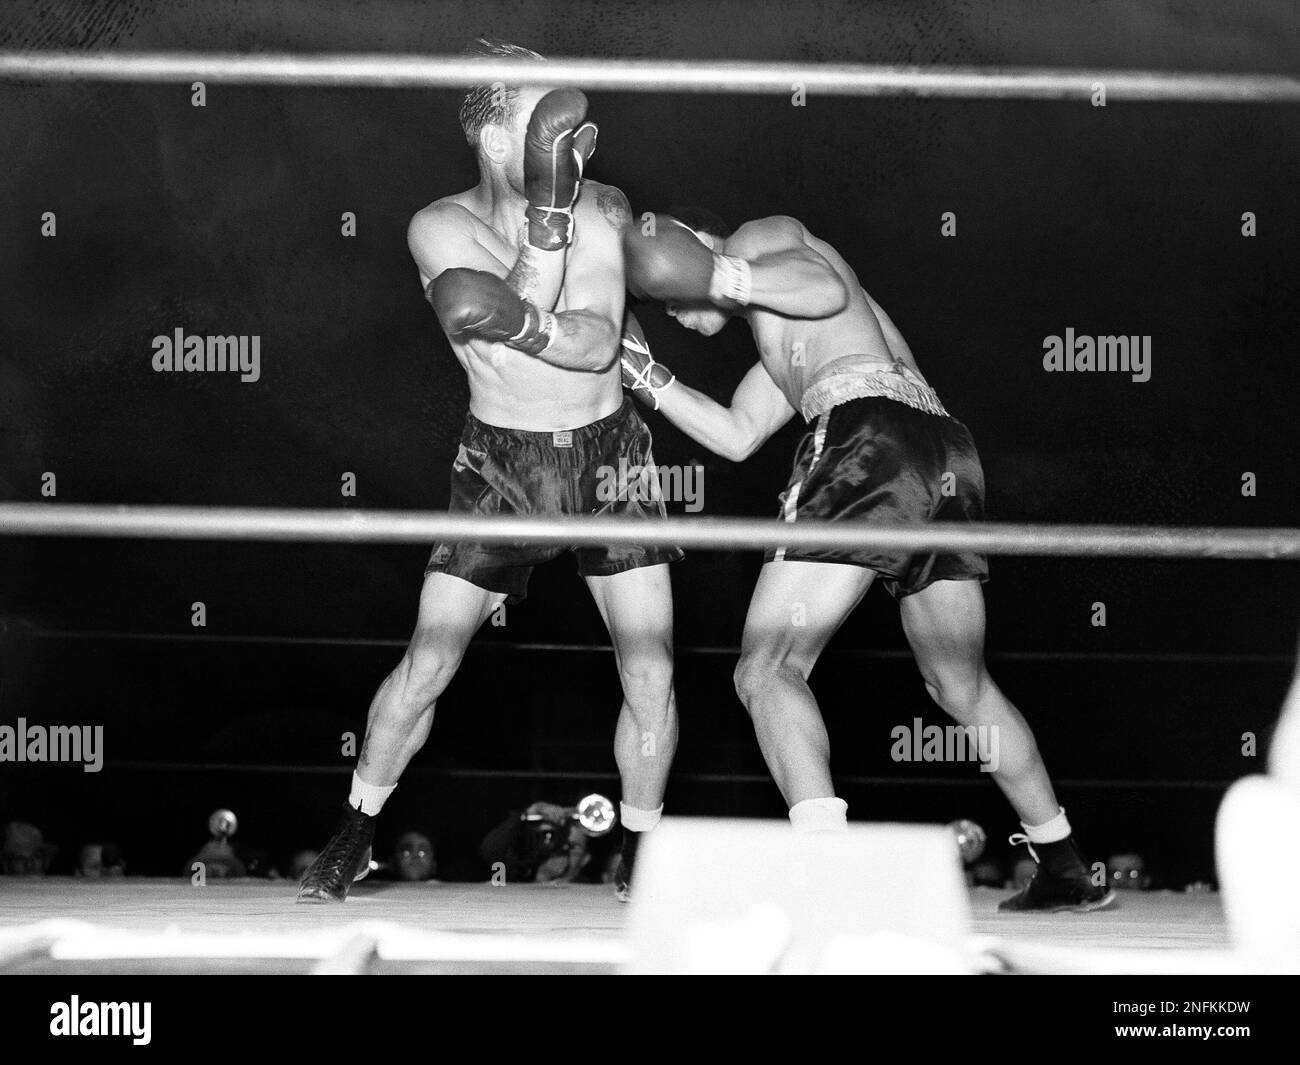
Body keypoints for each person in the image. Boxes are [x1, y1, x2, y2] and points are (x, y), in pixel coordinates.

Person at [621, 208, 1112, 912]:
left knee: (766, 668)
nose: (679, 312)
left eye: (672, 297)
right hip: (938, 450)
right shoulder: (784, 337)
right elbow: (734, 434)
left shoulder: (757, 241)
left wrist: (720, 269)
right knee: (959, 687)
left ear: (691, 240)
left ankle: (829, 866)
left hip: (864, 440)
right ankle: (1063, 860)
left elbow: (819, 286)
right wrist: (643, 371)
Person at [298, 38, 679, 904]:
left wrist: (557, 214)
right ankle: (357, 829)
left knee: (650, 664)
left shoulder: (600, 208)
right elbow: (499, 301)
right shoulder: (435, 225)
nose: (572, 146)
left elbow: (587, 343)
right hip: (499, 464)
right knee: (430, 658)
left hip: (608, 454)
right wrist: (544, 227)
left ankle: (641, 852)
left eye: (573, 127)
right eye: (548, 125)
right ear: (496, 138)